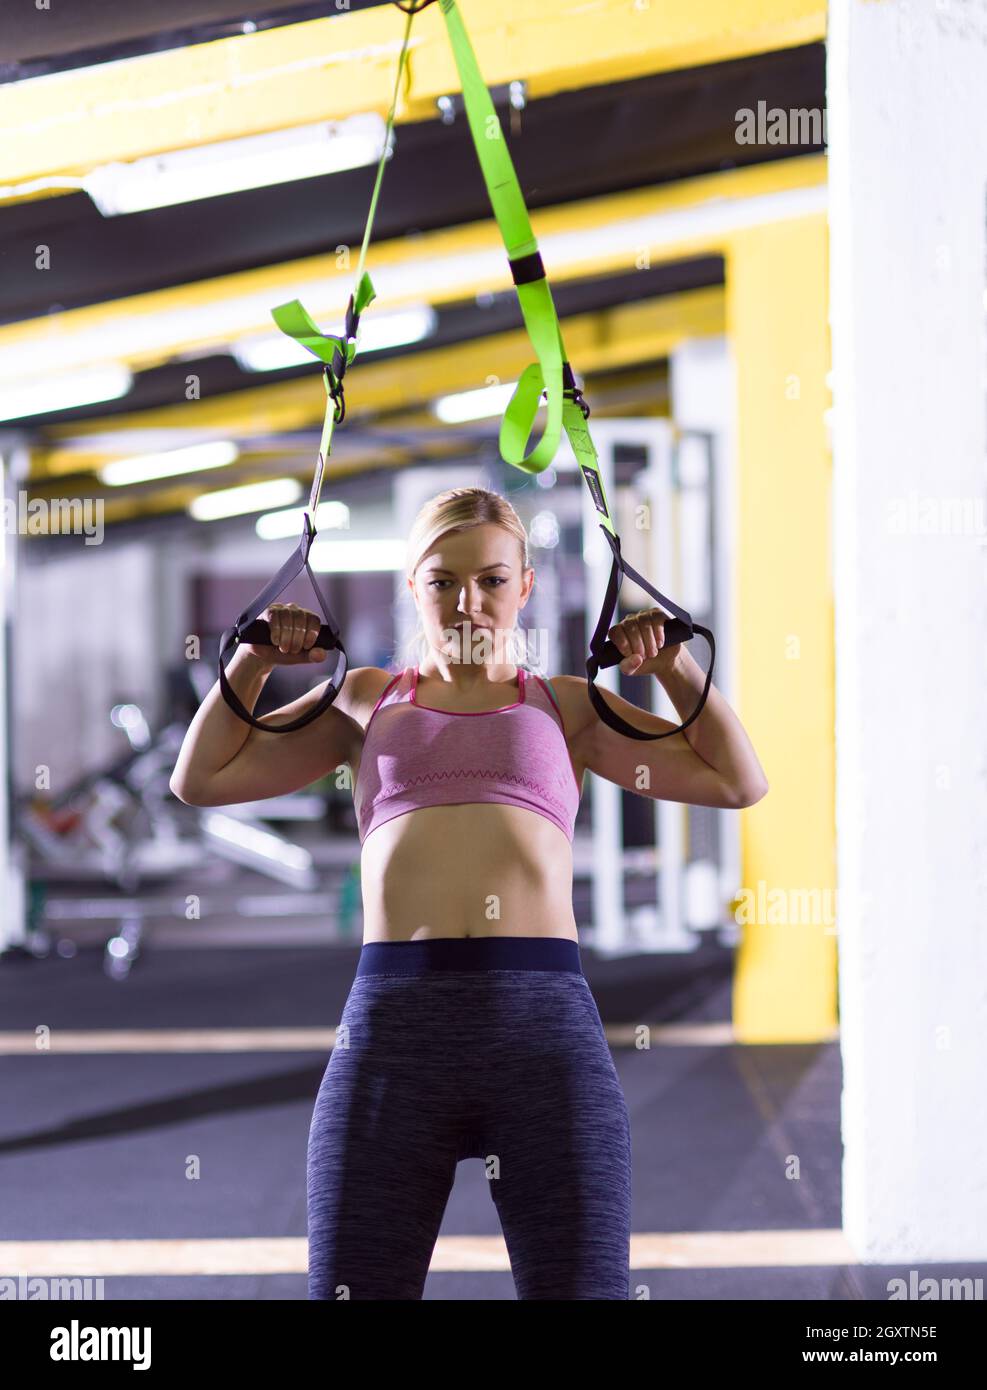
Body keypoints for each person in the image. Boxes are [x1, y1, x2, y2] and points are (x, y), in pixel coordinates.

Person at [169, 486, 769, 1299]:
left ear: (524, 586)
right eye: (442, 580)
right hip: (391, 1040)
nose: (467, 601)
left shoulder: (568, 707)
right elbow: (200, 778)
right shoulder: (365, 699)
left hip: (543, 1041)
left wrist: (670, 663)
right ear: (410, 586)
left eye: (490, 580)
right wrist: (253, 659)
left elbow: (737, 780)